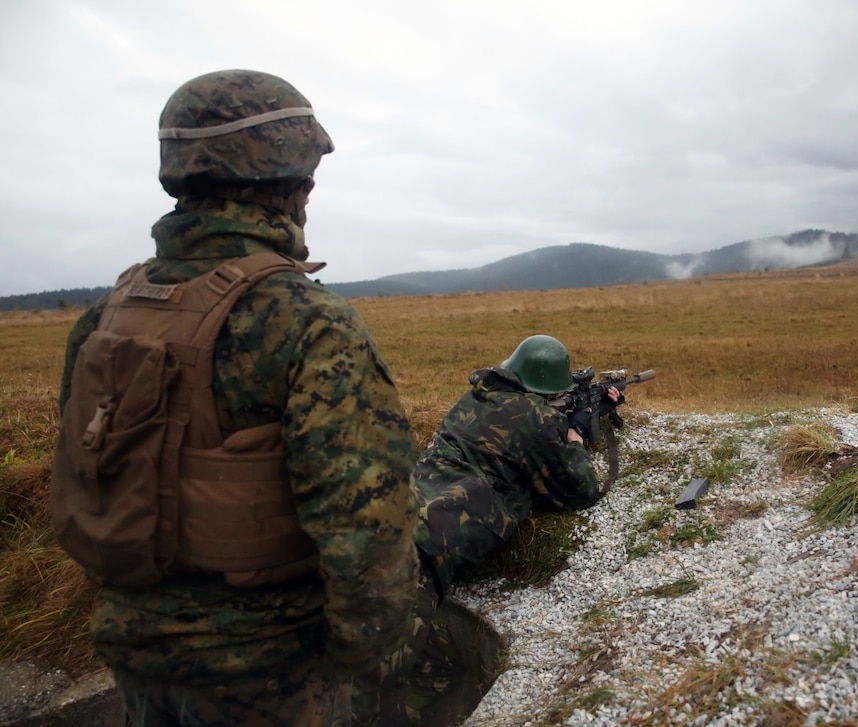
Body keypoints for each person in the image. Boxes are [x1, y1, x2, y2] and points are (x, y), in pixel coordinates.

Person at [52, 70, 419, 726]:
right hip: (272, 671)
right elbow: (367, 533)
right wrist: (359, 668)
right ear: (290, 183)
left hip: (137, 655)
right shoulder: (309, 322)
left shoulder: (105, 316)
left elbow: (88, 479)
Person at [376, 334, 617, 725]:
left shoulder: (473, 400)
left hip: (382, 525)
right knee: (399, 692)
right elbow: (582, 490)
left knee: (437, 672)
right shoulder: (535, 418)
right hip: (409, 564)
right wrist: (574, 433)